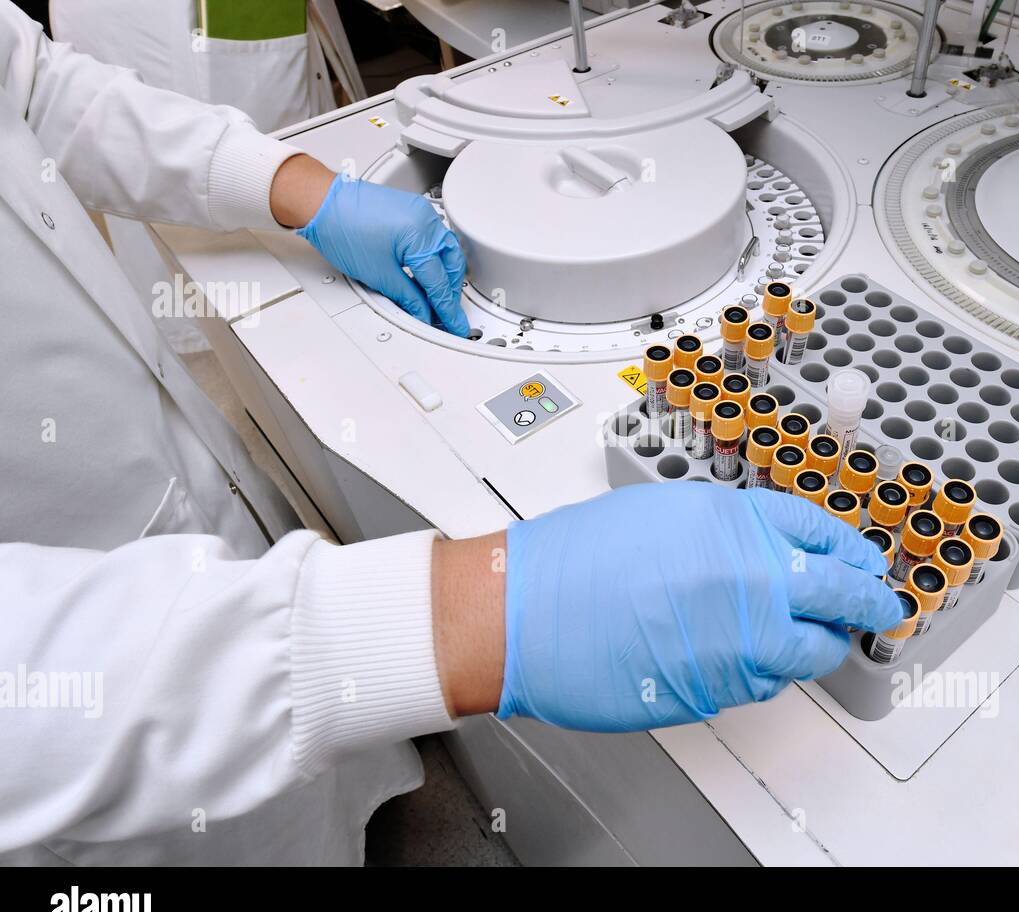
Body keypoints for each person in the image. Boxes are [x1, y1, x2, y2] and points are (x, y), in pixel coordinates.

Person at [0, 2, 902, 865]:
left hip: (154, 466)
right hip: (77, 723)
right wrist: (477, 614)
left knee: (306, 798)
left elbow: (32, 83)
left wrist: (296, 188)